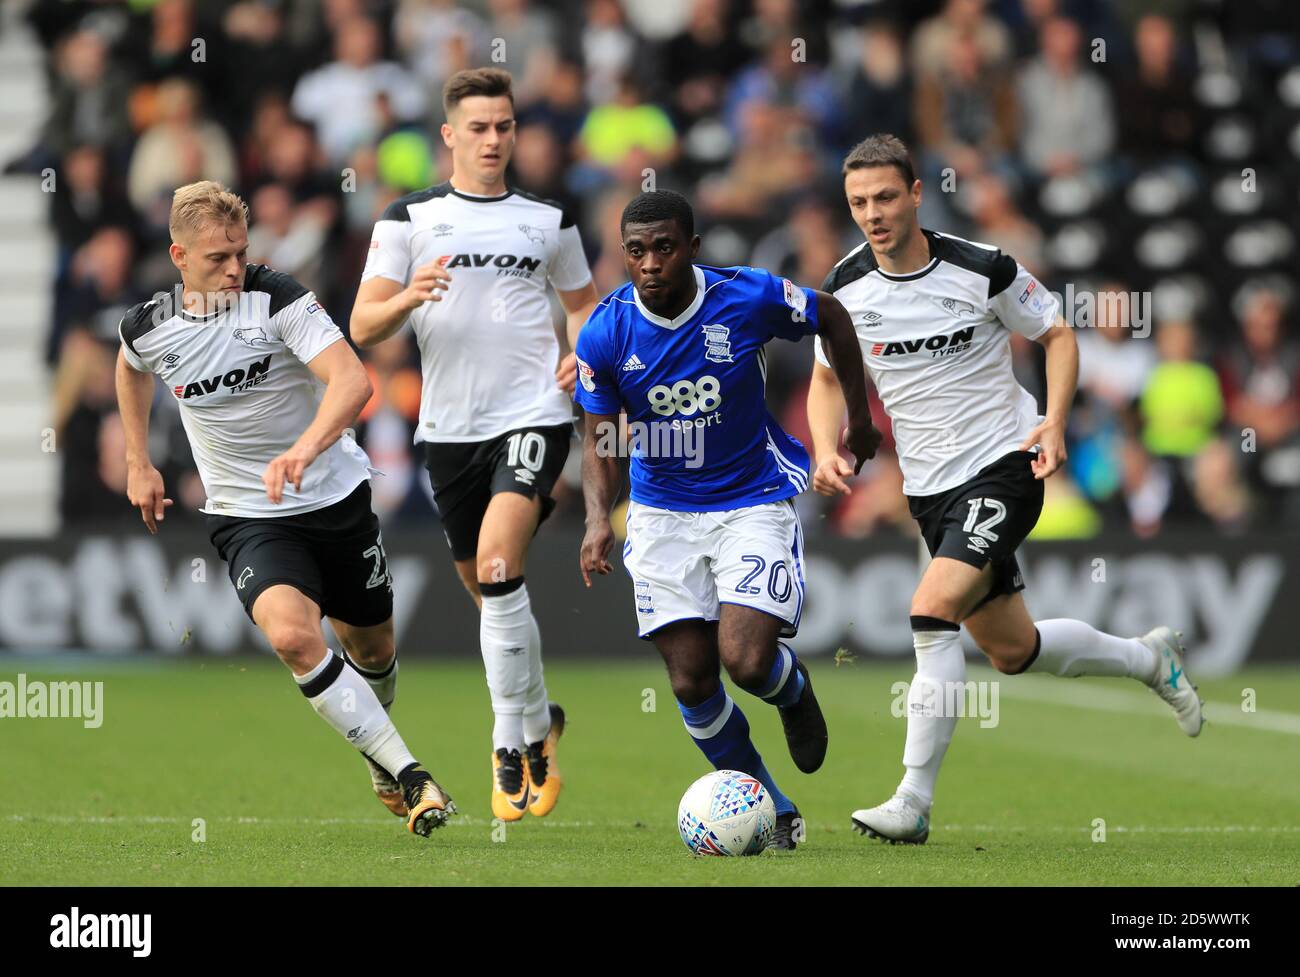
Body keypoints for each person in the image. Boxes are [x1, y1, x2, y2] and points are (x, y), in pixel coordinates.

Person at [806, 135, 1203, 845]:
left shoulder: (981, 267)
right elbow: (828, 379)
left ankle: (913, 800)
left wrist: (1053, 423)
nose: (873, 213)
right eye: (860, 201)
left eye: (886, 197)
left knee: (931, 610)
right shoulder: (841, 291)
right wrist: (824, 444)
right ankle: (1150, 657)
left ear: (918, 193)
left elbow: (1056, 334)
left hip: (1004, 463)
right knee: (1012, 649)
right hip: (928, 490)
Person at [115, 181, 454, 836]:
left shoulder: (276, 299)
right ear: (178, 255)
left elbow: (354, 380)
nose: (235, 269)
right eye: (218, 258)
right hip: (246, 514)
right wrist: (138, 461)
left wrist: (304, 448)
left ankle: (378, 755)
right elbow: (129, 367)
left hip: (333, 497)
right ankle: (411, 773)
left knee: (374, 649)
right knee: (295, 637)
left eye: (241, 252)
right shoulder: (152, 325)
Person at [576, 189, 881, 851]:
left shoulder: (745, 297)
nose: (650, 262)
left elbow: (832, 314)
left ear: (691, 247)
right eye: (636, 250)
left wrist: (858, 417)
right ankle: (772, 807)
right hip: (660, 512)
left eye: (663, 247)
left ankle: (791, 690)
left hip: (753, 496)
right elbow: (598, 436)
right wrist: (598, 518)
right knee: (690, 677)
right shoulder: (605, 330)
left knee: (745, 660)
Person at [351, 68, 599, 822]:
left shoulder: (549, 219)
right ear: (449, 136)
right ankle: (539, 722)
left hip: (534, 412)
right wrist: (407, 295)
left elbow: (583, 304)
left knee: (497, 563)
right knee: (490, 583)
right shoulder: (407, 219)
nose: (494, 139)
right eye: (479, 127)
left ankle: (505, 740)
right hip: (450, 431)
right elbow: (363, 326)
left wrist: (582, 358)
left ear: (516, 132)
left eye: (505, 126)